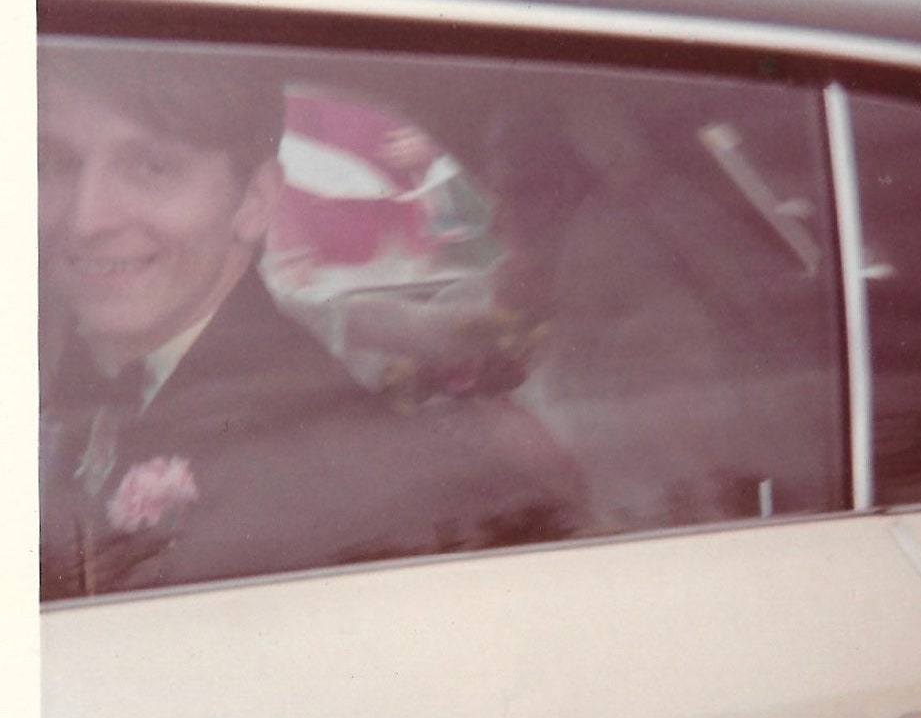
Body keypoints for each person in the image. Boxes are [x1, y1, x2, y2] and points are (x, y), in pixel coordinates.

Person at [38, 43, 583, 599]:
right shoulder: (73, 362)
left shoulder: (332, 480)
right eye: (51, 162)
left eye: (151, 167)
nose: (86, 219)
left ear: (253, 202)